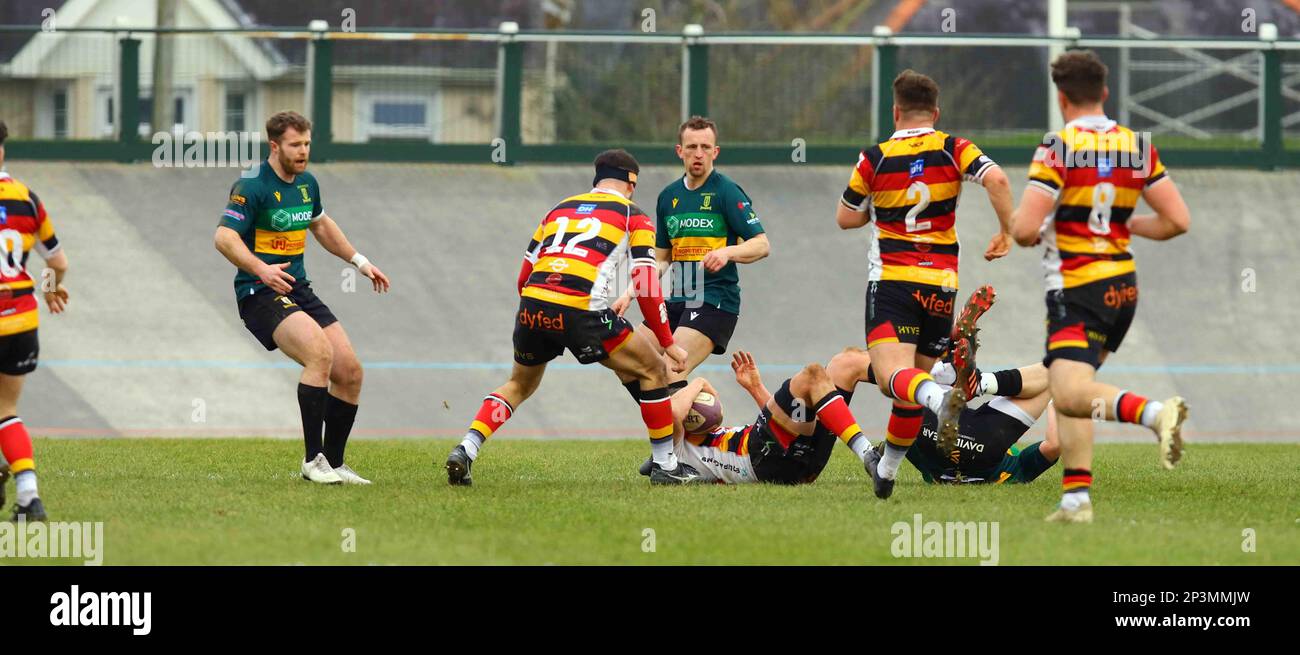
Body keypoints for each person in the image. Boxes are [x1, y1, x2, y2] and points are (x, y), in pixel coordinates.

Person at [444, 149, 698, 486]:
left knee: (519, 384)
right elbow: (646, 283)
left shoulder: (558, 209)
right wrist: (668, 342)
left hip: (533, 305)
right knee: (652, 368)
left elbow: (523, 278)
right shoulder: (633, 216)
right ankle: (667, 466)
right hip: (582, 309)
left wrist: (545, 317)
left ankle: (467, 448)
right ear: (631, 183)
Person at [1010, 50, 1190, 523]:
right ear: (1105, 94)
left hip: (1079, 290)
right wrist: (1121, 227)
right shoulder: (1136, 145)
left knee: (1068, 392)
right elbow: (1177, 221)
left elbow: (1026, 231)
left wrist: (1015, 220)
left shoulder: (1058, 147)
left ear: (1062, 97)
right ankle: (1075, 499)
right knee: (1074, 381)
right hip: (1123, 289)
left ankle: (1155, 413)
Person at [836, 69, 1015, 499]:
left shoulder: (874, 158)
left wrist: (878, 212)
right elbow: (999, 180)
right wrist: (1006, 231)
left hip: (894, 280)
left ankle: (939, 400)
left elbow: (846, 217)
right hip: (940, 285)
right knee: (910, 384)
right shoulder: (954, 147)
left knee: (888, 377)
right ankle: (888, 472)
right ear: (935, 112)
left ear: (895, 111)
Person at [214, 111, 391, 486]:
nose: (303, 151)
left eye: (307, 143)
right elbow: (224, 238)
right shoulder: (251, 185)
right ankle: (313, 461)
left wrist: (360, 262)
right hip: (258, 292)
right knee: (319, 355)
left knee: (350, 372)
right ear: (274, 146)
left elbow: (321, 225)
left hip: (297, 290)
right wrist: (261, 269)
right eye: (296, 145)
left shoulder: (307, 184)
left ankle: (336, 463)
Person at [0, 120, 70, 520]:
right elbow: (57, 263)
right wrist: (47, 288)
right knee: (6, 409)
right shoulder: (26, 198)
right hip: (21, 320)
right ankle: (28, 497)